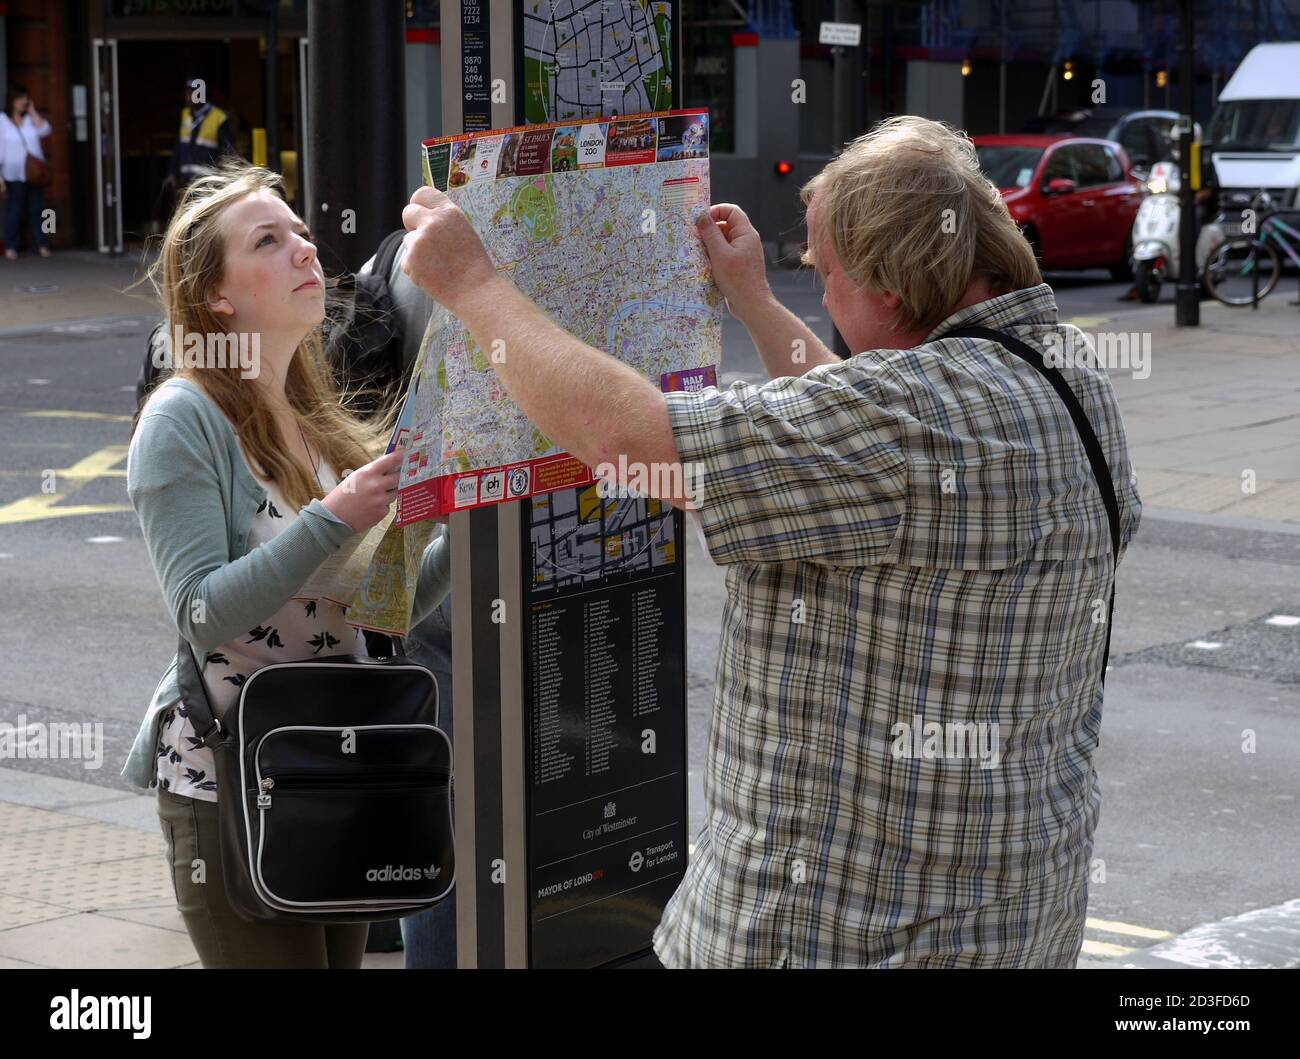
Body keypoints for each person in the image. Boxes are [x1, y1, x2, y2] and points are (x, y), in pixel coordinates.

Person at [399, 115, 1143, 968]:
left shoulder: (905, 420)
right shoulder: (1058, 369)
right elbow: (858, 434)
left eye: (824, 275)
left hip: (846, 932)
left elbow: (632, 442)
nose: (819, 295)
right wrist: (752, 299)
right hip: (1010, 915)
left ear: (888, 290)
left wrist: (476, 288)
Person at [123, 159, 451, 969]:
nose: (306, 249)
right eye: (269, 241)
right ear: (217, 298)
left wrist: (459, 526)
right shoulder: (184, 419)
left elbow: (382, 603)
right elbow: (201, 613)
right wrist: (335, 517)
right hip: (237, 777)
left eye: (300, 231)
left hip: (338, 758)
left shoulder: (312, 409)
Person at [0, 83, 53, 260]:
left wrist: (32, 111)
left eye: (26, 98)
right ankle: (11, 247)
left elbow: (46, 130)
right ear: (12, 101)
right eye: (21, 98)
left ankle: (42, 244)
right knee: (15, 209)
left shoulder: (31, 120)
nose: (24, 101)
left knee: (38, 209)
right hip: (13, 173)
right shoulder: (2, 120)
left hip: (34, 173)